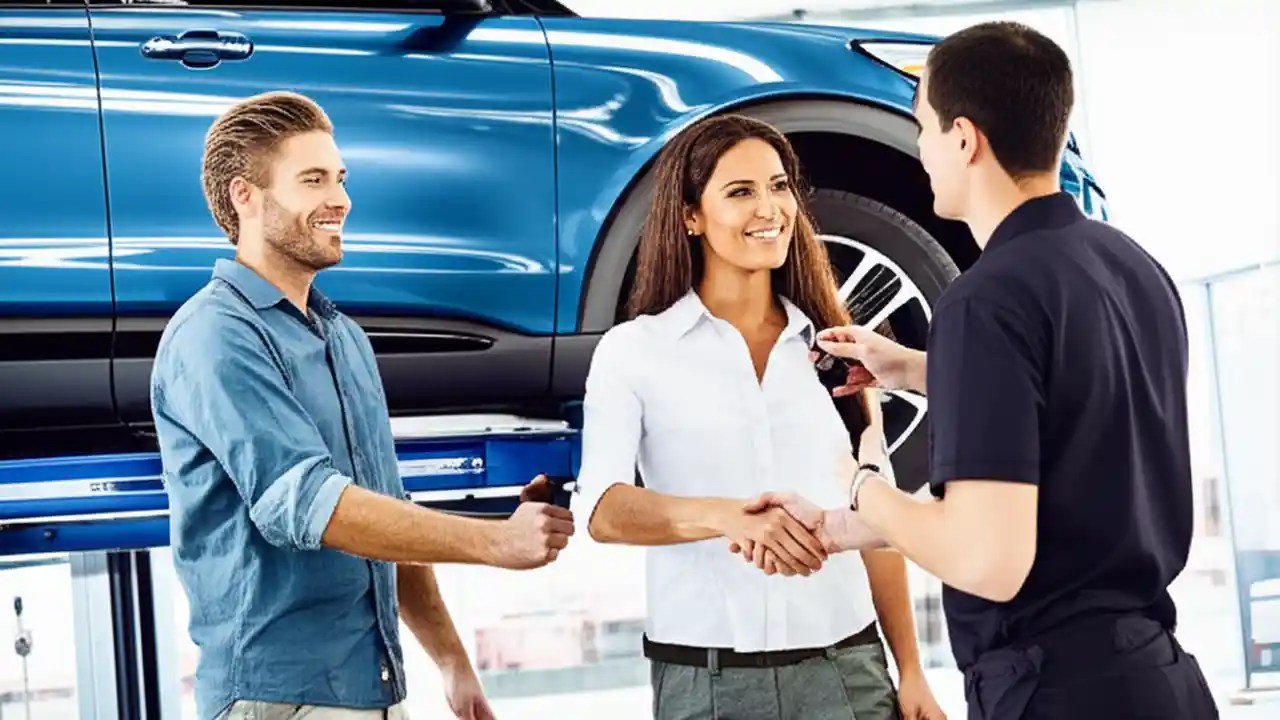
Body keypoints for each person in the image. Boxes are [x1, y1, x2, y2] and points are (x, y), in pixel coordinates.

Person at [742, 21, 1219, 720]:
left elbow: (986, 562)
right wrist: (917, 372)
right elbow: (1073, 418)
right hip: (1161, 679)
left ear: (964, 139)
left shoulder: (986, 299)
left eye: (923, 127)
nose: (921, 148)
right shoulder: (1132, 267)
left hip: (1059, 693)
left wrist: (863, 485)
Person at [151, 91, 575, 720]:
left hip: (371, 689)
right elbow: (310, 505)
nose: (341, 199)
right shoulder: (215, 334)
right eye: (313, 179)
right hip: (278, 700)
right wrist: (495, 543)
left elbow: (382, 516)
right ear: (245, 196)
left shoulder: (342, 337)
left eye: (341, 178)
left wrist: (451, 662)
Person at [575, 113, 945, 720]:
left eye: (779, 186)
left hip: (848, 672)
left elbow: (874, 512)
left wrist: (910, 669)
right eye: (741, 191)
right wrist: (726, 518)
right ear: (691, 216)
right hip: (707, 685)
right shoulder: (634, 351)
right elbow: (601, 510)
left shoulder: (838, 349)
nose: (769, 208)